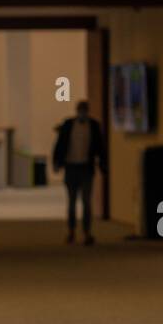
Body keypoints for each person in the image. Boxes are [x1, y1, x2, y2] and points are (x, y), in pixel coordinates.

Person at [52, 100, 107, 245]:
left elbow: (100, 147)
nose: (82, 113)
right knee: (71, 202)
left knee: (87, 202)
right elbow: (60, 144)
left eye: (84, 110)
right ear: (77, 111)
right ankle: (71, 231)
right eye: (80, 110)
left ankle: (87, 232)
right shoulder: (68, 125)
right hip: (71, 167)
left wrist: (103, 164)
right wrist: (57, 162)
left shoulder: (94, 126)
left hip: (86, 168)